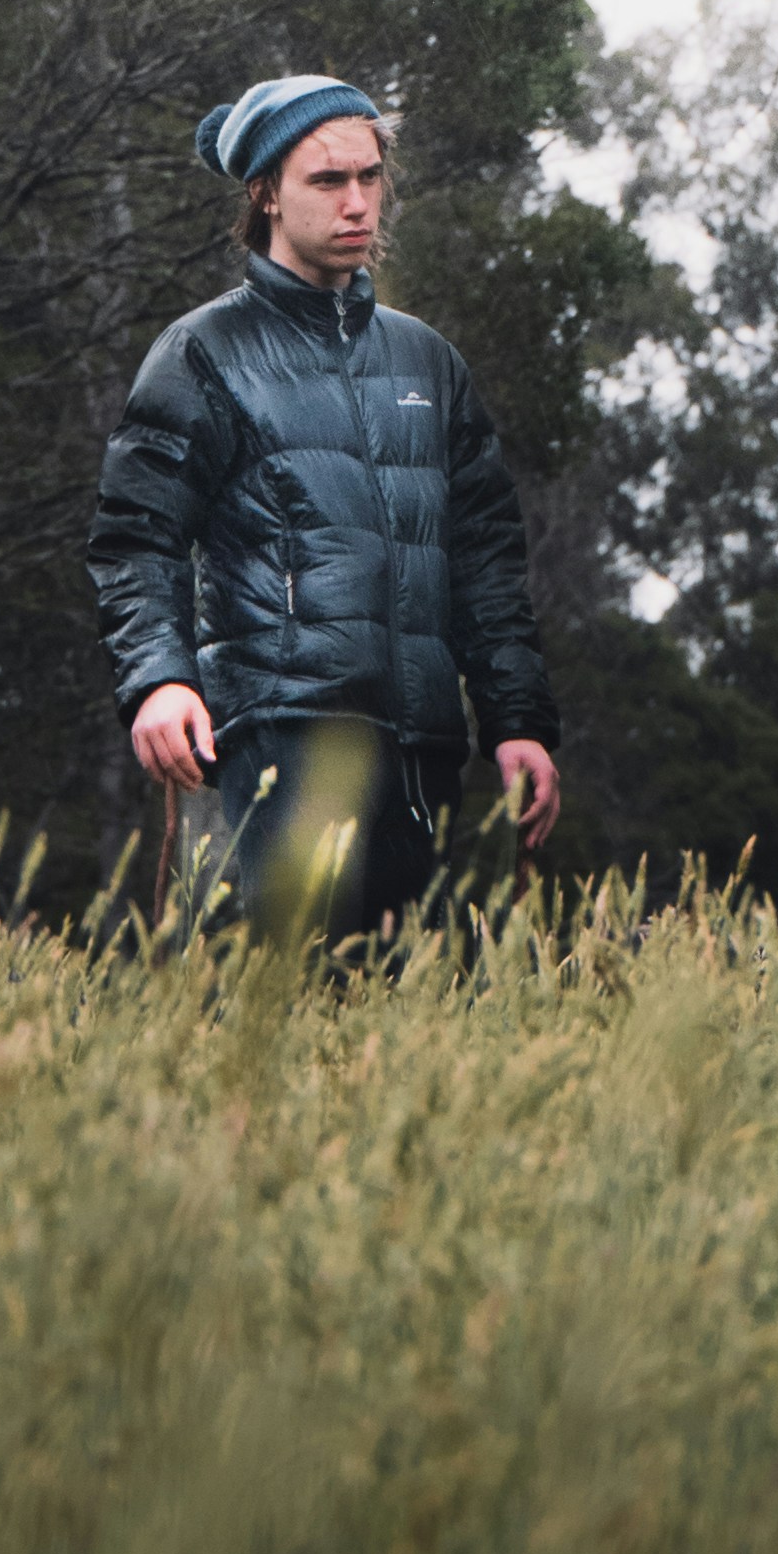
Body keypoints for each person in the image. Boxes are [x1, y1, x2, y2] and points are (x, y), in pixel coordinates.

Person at [88, 71, 564, 937]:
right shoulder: (202, 351)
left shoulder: (428, 362)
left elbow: (484, 560)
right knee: (283, 1001)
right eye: (327, 180)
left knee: (404, 1025)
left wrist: (516, 719)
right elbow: (136, 538)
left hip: (422, 748)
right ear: (265, 191)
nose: (357, 203)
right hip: (278, 733)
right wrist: (158, 680)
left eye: (369, 176)